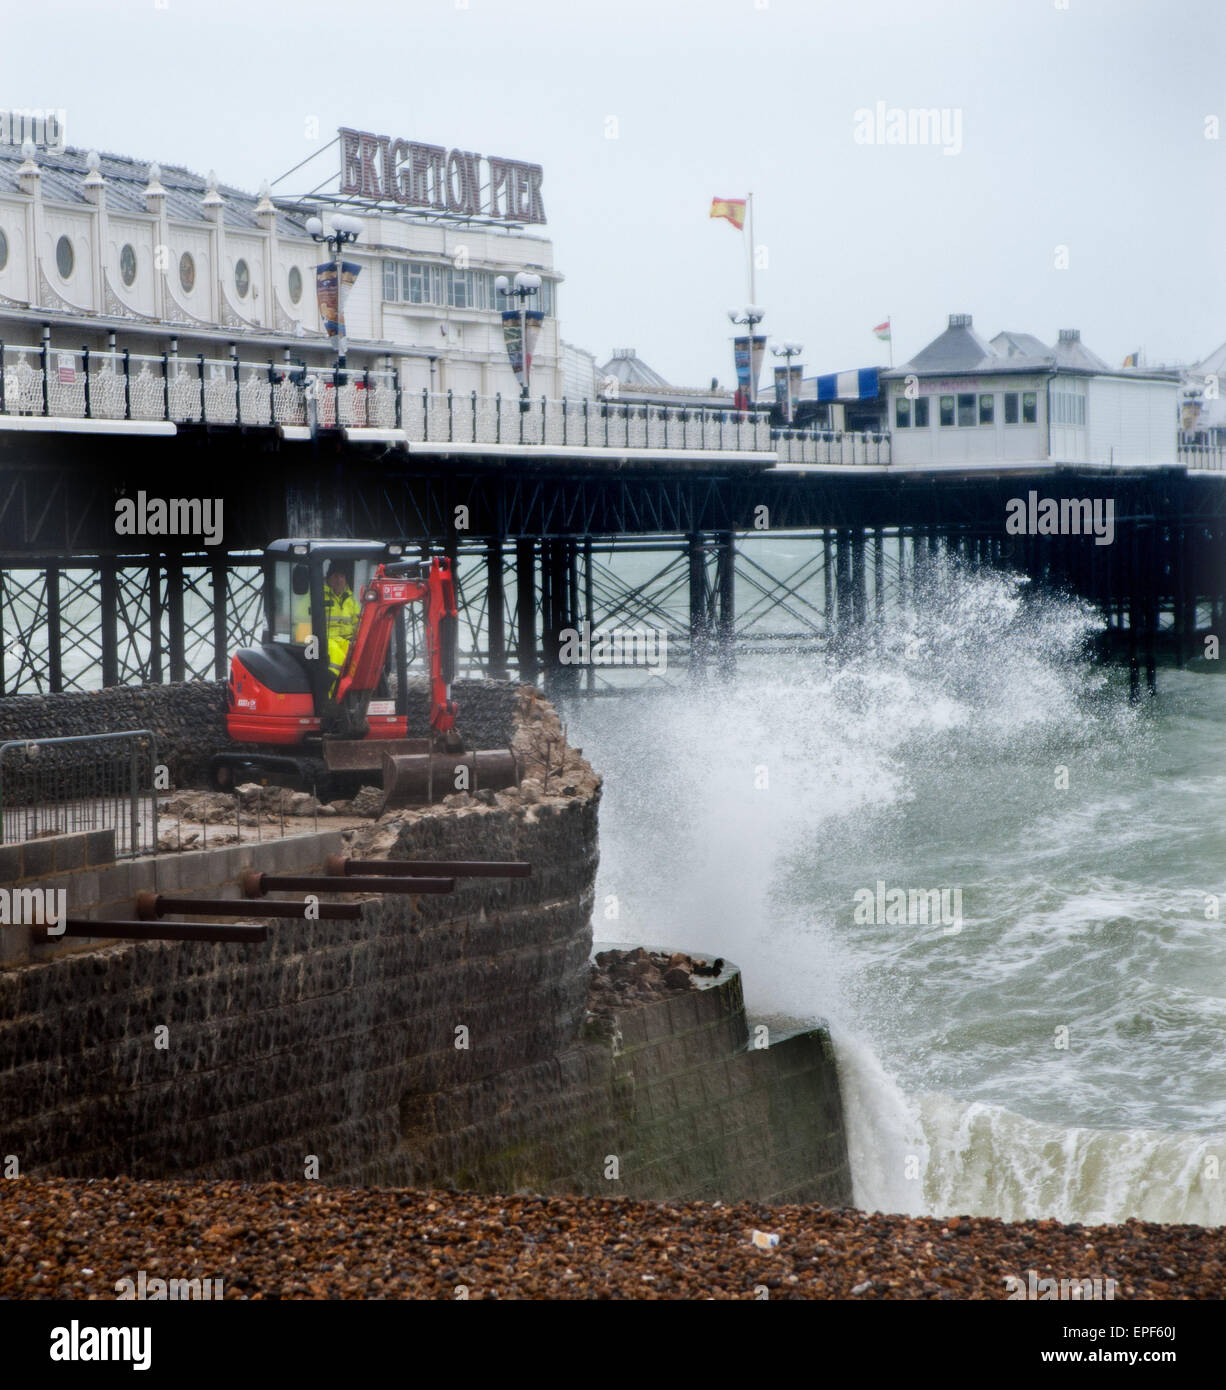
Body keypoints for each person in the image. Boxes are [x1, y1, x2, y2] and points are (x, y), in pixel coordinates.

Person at [323, 561, 360, 687]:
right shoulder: (317, 596)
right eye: (335, 576)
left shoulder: (351, 600)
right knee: (336, 654)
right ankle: (327, 690)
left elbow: (358, 623)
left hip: (347, 640)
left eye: (341, 576)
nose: (339, 580)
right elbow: (302, 623)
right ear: (328, 578)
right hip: (326, 639)